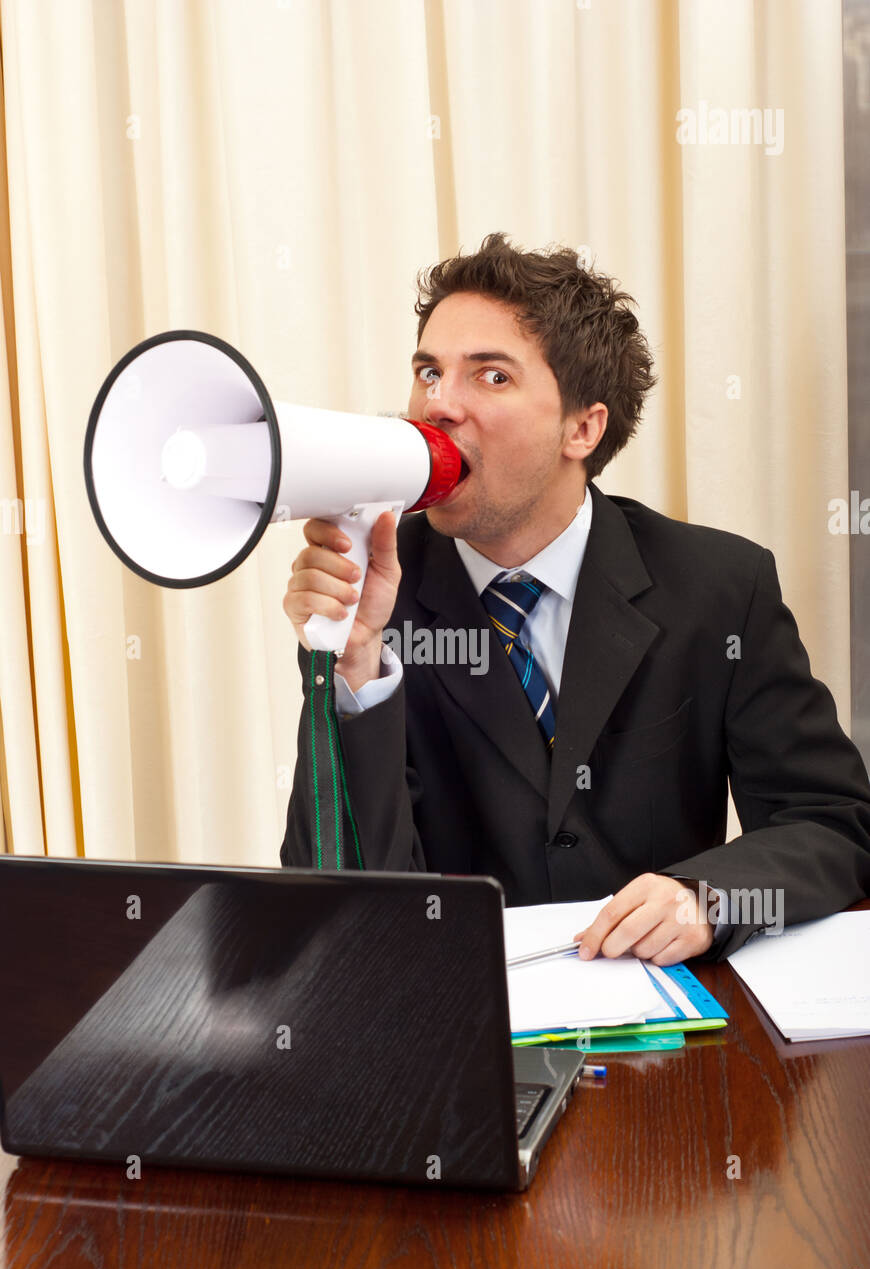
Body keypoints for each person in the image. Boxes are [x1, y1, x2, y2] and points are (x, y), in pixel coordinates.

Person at [280, 232, 870, 965]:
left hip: (670, 1034)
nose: (438, 406)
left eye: (490, 377)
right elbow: (338, 904)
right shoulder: (378, 596)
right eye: (428, 371)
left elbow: (830, 825)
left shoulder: (720, 587)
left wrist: (707, 897)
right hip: (456, 1022)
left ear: (583, 428)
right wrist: (352, 671)